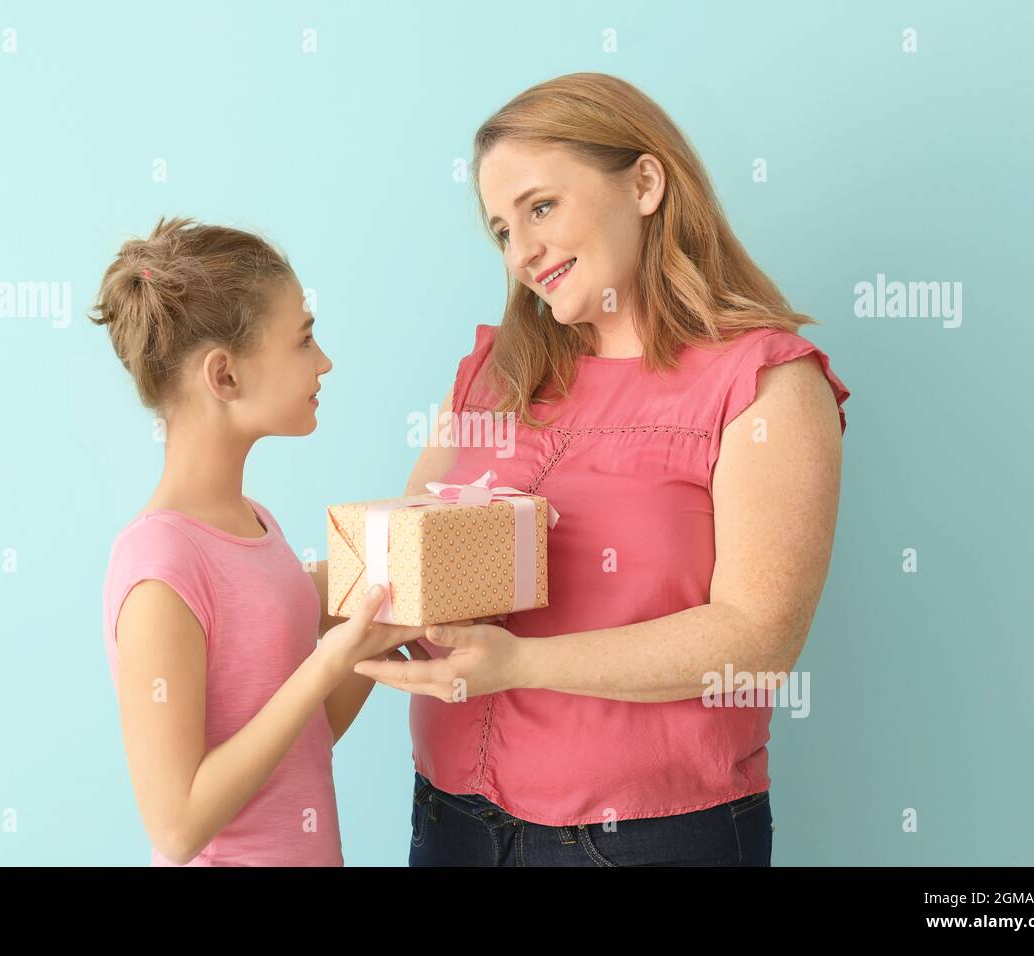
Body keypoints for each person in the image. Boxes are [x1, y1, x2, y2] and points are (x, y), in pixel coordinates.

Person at [354, 73, 853, 867]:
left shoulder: (766, 384)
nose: (522, 253)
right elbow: (406, 560)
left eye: (540, 207)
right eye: (500, 231)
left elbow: (756, 641)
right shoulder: (492, 373)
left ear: (646, 182)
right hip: (451, 822)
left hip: (644, 841)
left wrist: (522, 664)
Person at [91, 217, 422, 865]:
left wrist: (378, 642)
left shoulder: (255, 524)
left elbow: (296, 743)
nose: (323, 361)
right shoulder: (160, 567)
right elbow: (178, 826)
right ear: (225, 377)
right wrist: (326, 661)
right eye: (303, 339)